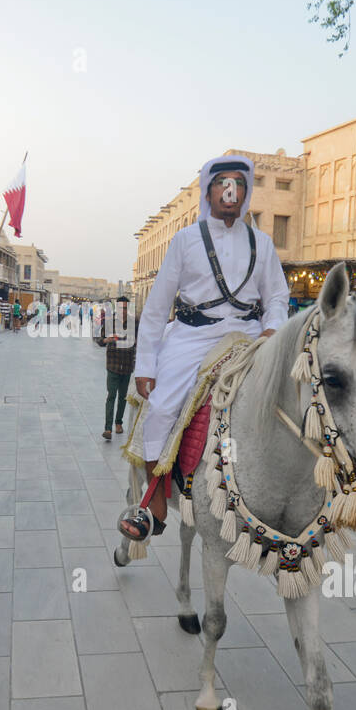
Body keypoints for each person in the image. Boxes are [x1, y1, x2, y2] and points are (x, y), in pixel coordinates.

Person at [121, 154, 289, 541]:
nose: (230, 190)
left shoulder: (262, 244)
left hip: (249, 337)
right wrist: (146, 363)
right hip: (192, 337)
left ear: (245, 194)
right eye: (221, 183)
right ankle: (153, 500)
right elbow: (158, 305)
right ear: (208, 191)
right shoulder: (185, 240)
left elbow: (277, 297)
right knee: (161, 407)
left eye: (238, 184)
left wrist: (272, 330)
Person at [96, 296, 139, 441]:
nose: (123, 311)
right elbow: (99, 340)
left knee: (123, 397)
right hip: (113, 365)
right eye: (121, 308)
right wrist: (106, 340)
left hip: (127, 366)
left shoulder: (134, 323)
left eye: (126, 308)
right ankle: (108, 428)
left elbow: (140, 341)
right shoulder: (109, 323)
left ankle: (118, 423)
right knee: (111, 396)